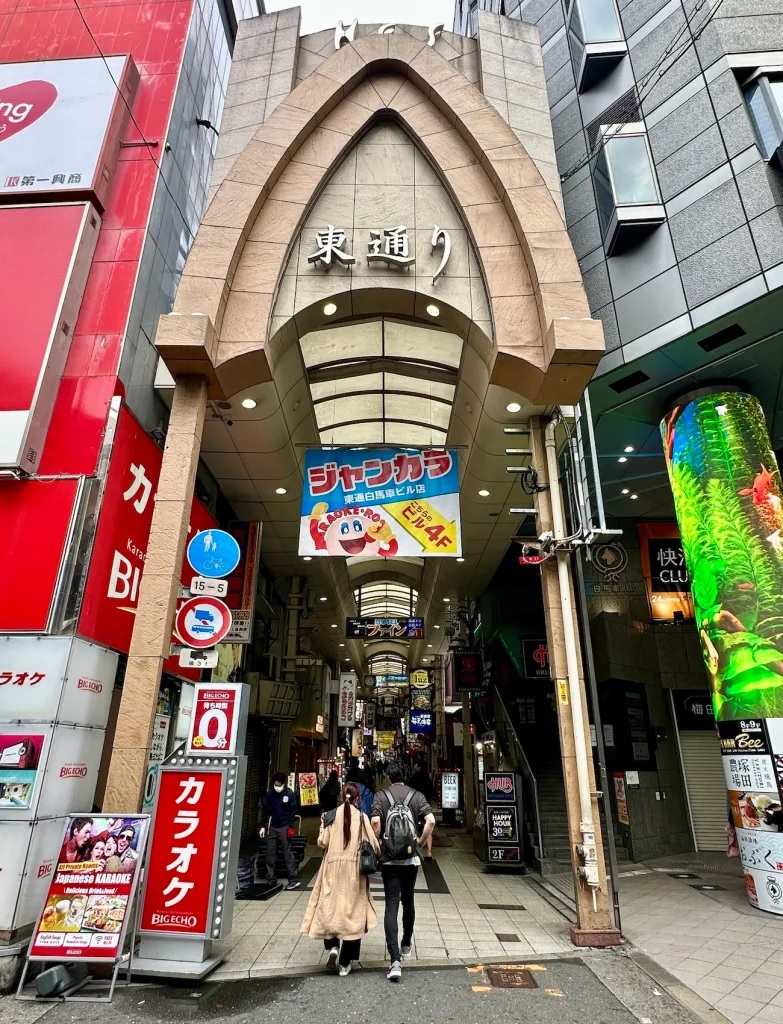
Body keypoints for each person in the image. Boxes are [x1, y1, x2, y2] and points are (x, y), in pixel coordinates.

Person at [301, 782, 381, 977]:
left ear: (341, 797)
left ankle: (332, 946)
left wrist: (323, 825)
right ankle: (345, 963)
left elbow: (322, 842)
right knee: (353, 914)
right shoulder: (362, 818)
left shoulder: (330, 816)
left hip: (331, 868)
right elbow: (373, 845)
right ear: (357, 799)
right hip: (353, 872)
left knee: (329, 908)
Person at [371, 765, 435, 982]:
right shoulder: (417, 796)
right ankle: (406, 942)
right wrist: (420, 841)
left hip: (389, 860)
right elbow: (431, 821)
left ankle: (395, 961)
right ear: (406, 776)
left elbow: (376, 822)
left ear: (389, 776)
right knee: (408, 901)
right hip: (410, 859)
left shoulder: (381, 796)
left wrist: (379, 844)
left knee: (391, 904)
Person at [259, 771, 301, 890]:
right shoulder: (269, 795)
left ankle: (293, 879)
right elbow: (265, 810)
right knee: (270, 854)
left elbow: (293, 811)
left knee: (287, 854)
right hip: (272, 826)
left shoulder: (289, 794)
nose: (277, 787)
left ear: (284, 784)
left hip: (285, 826)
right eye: (275, 784)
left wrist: (291, 827)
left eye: (279, 785)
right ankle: (271, 879)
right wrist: (263, 825)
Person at [407, 760, 435, 861]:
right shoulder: (428, 778)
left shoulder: (413, 778)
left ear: (418, 767)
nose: (414, 765)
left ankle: (415, 851)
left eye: (415, 764)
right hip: (426, 805)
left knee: (413, 827)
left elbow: (409, 791)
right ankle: (429, 852)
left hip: (414, 806)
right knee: (428, 827)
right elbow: (432, 792)